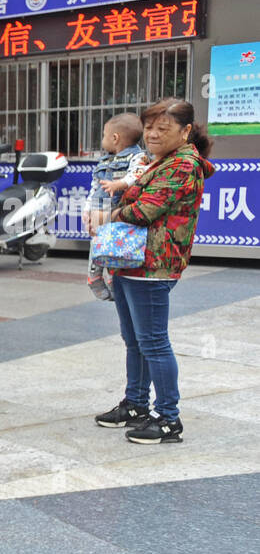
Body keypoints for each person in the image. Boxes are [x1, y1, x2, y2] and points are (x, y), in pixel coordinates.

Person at [93, 97, 215, 445]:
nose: (153, 135)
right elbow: (132, 193)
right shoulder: (156, 160)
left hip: (155, 264)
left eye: (164, 128)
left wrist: (106, 217)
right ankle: (136, 404)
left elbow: (146, 209)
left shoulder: (184, 164)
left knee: (154, 342)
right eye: (149, 128)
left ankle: (168, 419)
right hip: (130, 260)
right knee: (135, 340)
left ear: (185, 131)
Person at [85, 113, 151, 301]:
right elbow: (95, 187)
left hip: (120, 208)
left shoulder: (138, 156)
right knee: (98, 241)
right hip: (101, 206)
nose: (102, 140)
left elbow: (137, 174)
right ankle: (94, 275)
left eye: (104, 135)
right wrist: (87, 209)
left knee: (116, 245)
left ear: (115, 138)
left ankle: (113, 278)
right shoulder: (103, 161)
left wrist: (120, 184)